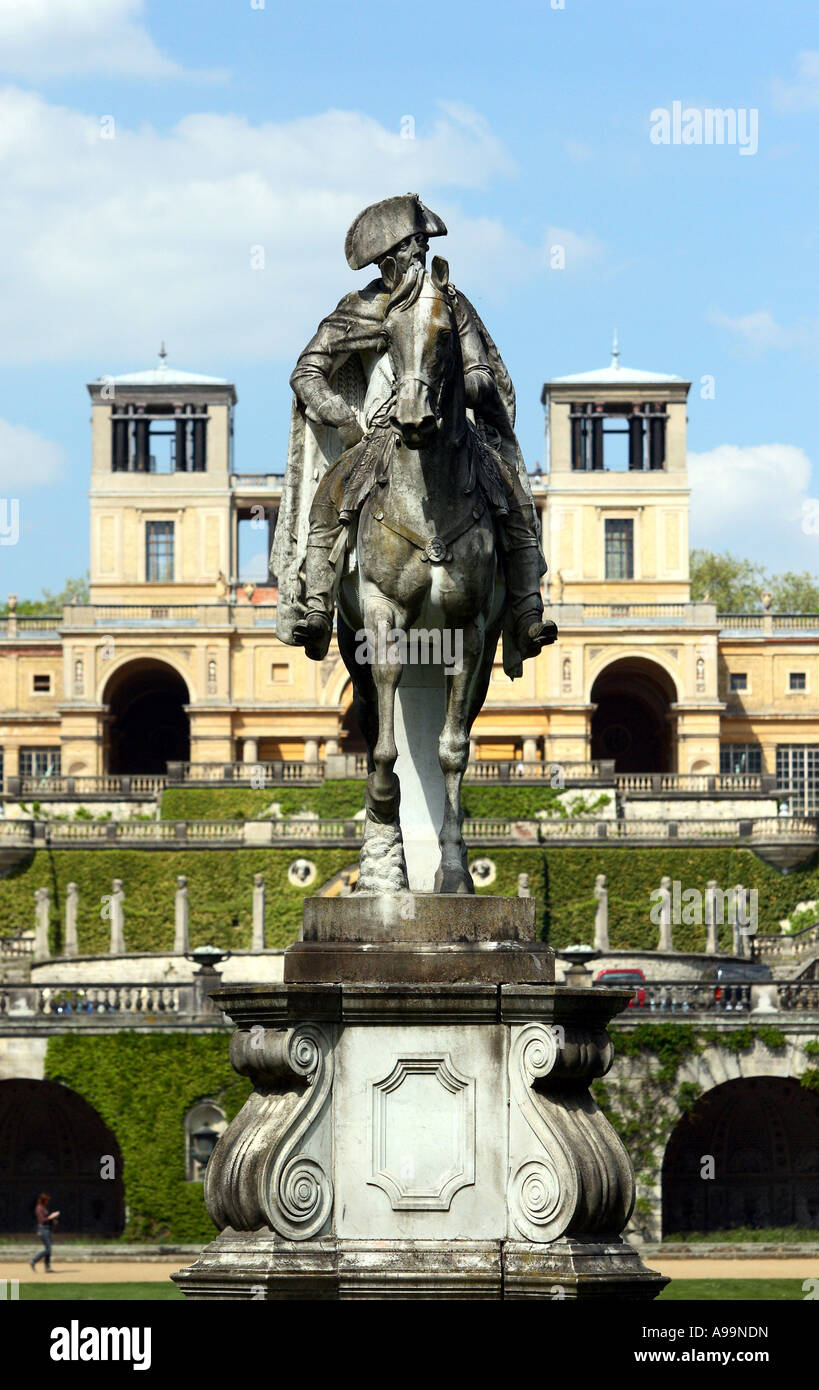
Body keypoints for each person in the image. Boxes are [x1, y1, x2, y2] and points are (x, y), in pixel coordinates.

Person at [272, 193, 557, 672]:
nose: (421, 255)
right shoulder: (359, 309)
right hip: (381, 433)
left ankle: (528, 606)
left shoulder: (450, 302)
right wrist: (341, 415)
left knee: (514, 498)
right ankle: (317, 604)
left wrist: (449, 392)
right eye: (413, 246)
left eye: (424, 246)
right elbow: (307, 371)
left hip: (450, 430)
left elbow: (484, 374)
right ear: (389, 261)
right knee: (329, 499)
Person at [29, 1192, 59, 1273]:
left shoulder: (43, 1207)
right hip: (43, 1230)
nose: (48, 1202)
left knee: (48, 1249)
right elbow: (42, 1220)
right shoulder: (39, 1208)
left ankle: (47, 1267)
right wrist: (51, 1216)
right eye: (46, 1200)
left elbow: (46, 1218)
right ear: (43, 1200)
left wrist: (53, 1218)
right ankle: (33, 1260)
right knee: (48, 1249)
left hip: (47, 1229)